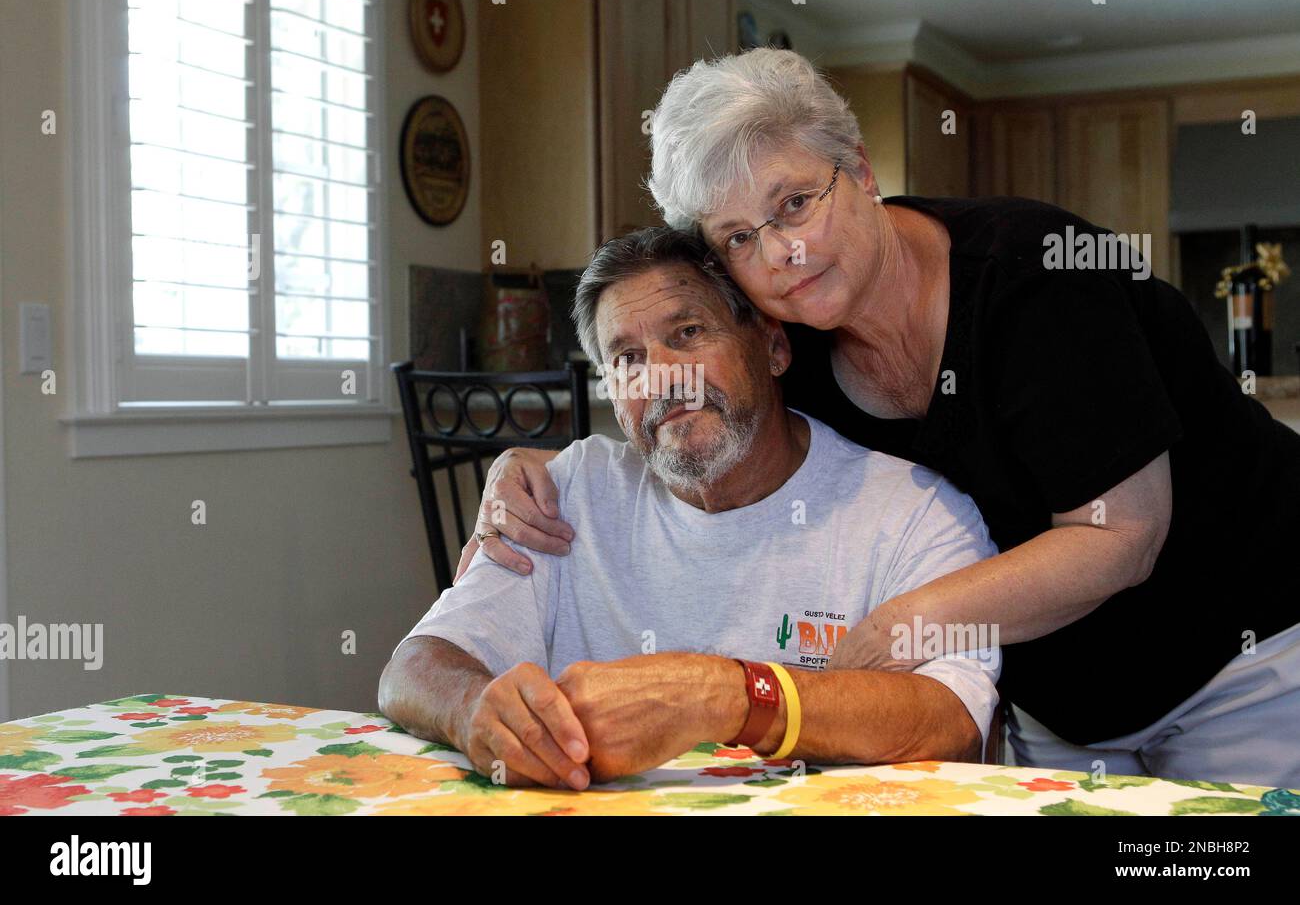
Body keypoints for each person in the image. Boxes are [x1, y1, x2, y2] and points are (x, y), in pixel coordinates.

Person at [460, 48, 1300, 789]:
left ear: (859, 169)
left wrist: (900, 627)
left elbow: (1122, 537)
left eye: (794, 204)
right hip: (1057, 690)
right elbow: (696, 412)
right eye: (740, 238)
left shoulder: (1035, 278)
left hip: (1243, 647)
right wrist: (533, 468)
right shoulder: (797, 338)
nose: (781, 255)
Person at [379, 227, 999, 789]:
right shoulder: (562, 494)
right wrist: (472, 710)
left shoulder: (916, 510)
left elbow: (952, 720)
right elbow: (413, 666)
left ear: (774, 348)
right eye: (627, 359)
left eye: (688, 334)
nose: (661, 379)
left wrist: (727, 695)